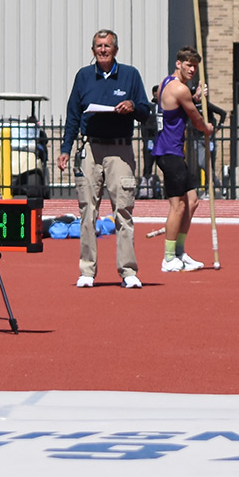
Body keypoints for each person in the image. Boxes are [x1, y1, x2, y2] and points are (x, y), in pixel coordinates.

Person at [57, 29, 153, 289]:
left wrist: (133, 106)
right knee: (87, 211)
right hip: (91, 149)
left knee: (123, 210)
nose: (103, 50)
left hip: (120, 151)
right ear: (93, 51)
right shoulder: (84, 76)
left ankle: (128, 271)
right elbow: (73, 115)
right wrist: (66, 148)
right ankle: (87, 271)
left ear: (115, 50)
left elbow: (146, 112)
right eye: (98, 46)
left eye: (107, 46)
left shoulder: (130, 75)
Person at [154, 47, 215, 273]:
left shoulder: (167, 83)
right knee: (177, 205)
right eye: (188, 65)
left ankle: (179, 252)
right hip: (169, 152)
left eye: (195, 66)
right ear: (178, 63)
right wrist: (207, 128)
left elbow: (182, 107)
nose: (192, 69)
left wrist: (196, 97)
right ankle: (168, 258)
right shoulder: (179, 89)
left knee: (192, 201)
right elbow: (197, 120)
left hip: (172, 151)